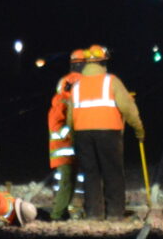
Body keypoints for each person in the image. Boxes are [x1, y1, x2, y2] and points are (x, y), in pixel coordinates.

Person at [68, 45, 144, 220]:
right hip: (109, 132)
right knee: (113, 173)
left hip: (82, 134)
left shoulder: (77, 85)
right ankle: (115, 213)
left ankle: (94, 214)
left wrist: (74, 136)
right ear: (103, 62)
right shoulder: (111, 81)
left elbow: (70, 115)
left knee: (90, 174)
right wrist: (138, 128)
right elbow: (127, 107)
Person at [48, 49, 86, 221]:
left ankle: (61, 212)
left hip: (66, 145)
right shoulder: (81, 84)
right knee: (68, 181)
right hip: (67, 145)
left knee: (68, 180)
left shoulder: (63, 86)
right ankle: (57, 214)